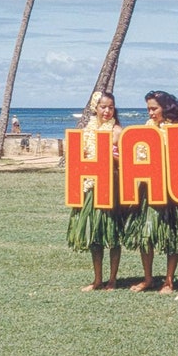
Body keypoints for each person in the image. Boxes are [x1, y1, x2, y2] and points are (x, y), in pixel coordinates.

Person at [126, 91, 178, 292]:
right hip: (148, 187)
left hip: (172, 187)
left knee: (171, 234)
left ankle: (169, 280)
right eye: (148, 109)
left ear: (166, 107)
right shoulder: (147, 128)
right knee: (146, 234)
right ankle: (148, 278)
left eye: (154, 108)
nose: (151, 113)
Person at [66, 91, 123, 290]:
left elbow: (126, 161)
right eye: (103, 107)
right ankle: (98, 279)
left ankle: (113, 278)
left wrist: (109, 156)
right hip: (89, 186)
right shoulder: (86, 130)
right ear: (95, 108)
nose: (107, 111)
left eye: (111, 107)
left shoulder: (117, 131)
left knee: (113, 233)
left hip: (111, 186)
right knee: (95, 235)